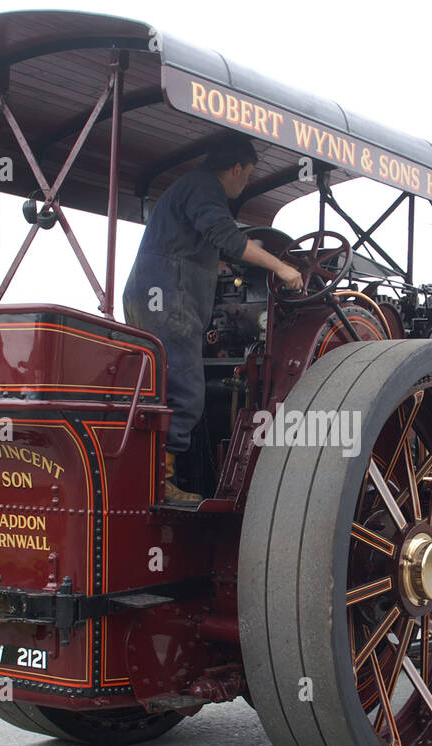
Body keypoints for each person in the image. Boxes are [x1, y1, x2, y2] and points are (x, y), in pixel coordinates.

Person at [122, 133, 303, 504]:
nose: (246, 182)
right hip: (167, 299)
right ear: (236, 168)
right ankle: (159, 483)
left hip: (151, 293)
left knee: (156, 386)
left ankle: (145, 475)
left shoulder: (187, 187)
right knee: (183, 389)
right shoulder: (205, 187)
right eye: (248, 175)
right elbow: (227, 238)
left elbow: (220, 243)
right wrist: (283, 268)